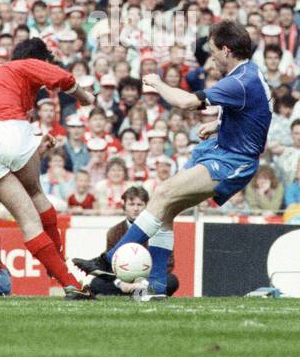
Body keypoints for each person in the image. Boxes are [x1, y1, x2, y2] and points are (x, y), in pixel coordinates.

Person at [88, 20, 271, 299]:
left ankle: (108, 261)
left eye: (213, 51)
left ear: (225, 50)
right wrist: (219, 125)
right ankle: (158, 285)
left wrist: (157, 83)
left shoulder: (239, 81)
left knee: (163, 193)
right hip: (222, 150)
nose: (211, 58)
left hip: (233, 161)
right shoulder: (250, 73)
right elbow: (256, 114)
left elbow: (185, 102)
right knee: (168, 210)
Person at [0, 36, 96, 300]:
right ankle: (61, 266)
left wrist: (36, 149)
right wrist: (86, 98)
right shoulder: (22, 66)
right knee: (35, 195)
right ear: (37, 60)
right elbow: (63, 78)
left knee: (27, 220)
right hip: (7, 128)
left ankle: (66, 279)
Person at [74, 185, 179, 296]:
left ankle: (142, 290)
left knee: (172, 280)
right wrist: (121, 283)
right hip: (123, 280)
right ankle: (136, 292)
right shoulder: (114, 231)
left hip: (149, 279)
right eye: (131, 204)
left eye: (140, 204)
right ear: (124, 207)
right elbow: (110, 267)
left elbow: (168, 263)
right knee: (96, 283)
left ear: (148, 207)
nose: (136, 209)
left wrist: (142, 282)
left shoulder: (160, 231)